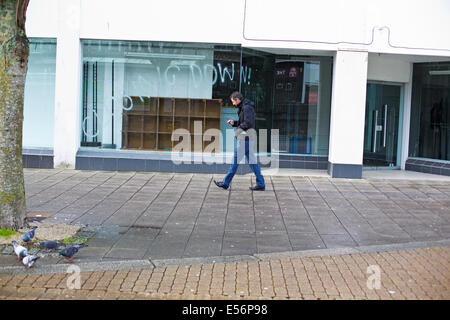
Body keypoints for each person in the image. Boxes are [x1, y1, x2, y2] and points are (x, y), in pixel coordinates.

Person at [214, 92, 265, 191]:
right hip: (247, 138)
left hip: (245, 138)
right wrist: (234, 123)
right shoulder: (244, 107)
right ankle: (261, 183)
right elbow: (244, 122)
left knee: (235, 161)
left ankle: (225, 183)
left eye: (233, 101)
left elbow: (248, 123)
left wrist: (238, 129)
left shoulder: (246, 108)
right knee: (252, 163)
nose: (233, 104)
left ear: (237, 99)